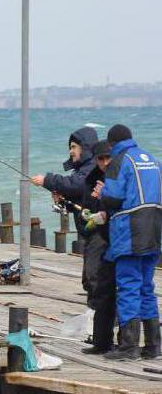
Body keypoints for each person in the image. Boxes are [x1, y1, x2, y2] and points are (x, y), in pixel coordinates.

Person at [99, 124, 162, 360]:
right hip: (154, 229)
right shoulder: (153, 160)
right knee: (147, 286)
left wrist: (102, 194)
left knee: (128, 285)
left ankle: (129, 346)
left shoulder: (119, 161)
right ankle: (153, 345)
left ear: (112, 144)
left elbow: (114, 197)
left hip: (130, 231)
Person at [79, 140, 117, 354]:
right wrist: (89, 210)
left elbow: (125, 202)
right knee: (97, 283)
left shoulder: (121, 174)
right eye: (100, 159)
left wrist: (105, 197)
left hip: (118, 237)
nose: (104, 163)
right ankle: (101, 341)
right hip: (98, 234)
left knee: (126, 288)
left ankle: (127, 341)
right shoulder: (91, 178)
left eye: (107, 158)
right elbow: (85, 209)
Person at [31, 127, 98, 217]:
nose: (70, 152)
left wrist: (46, 180)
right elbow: (82, 199)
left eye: (74, 147)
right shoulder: (83, 169)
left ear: (85, 148)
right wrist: (63, 200)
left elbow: (76, 185)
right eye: (70, 148)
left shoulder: (93, 166)